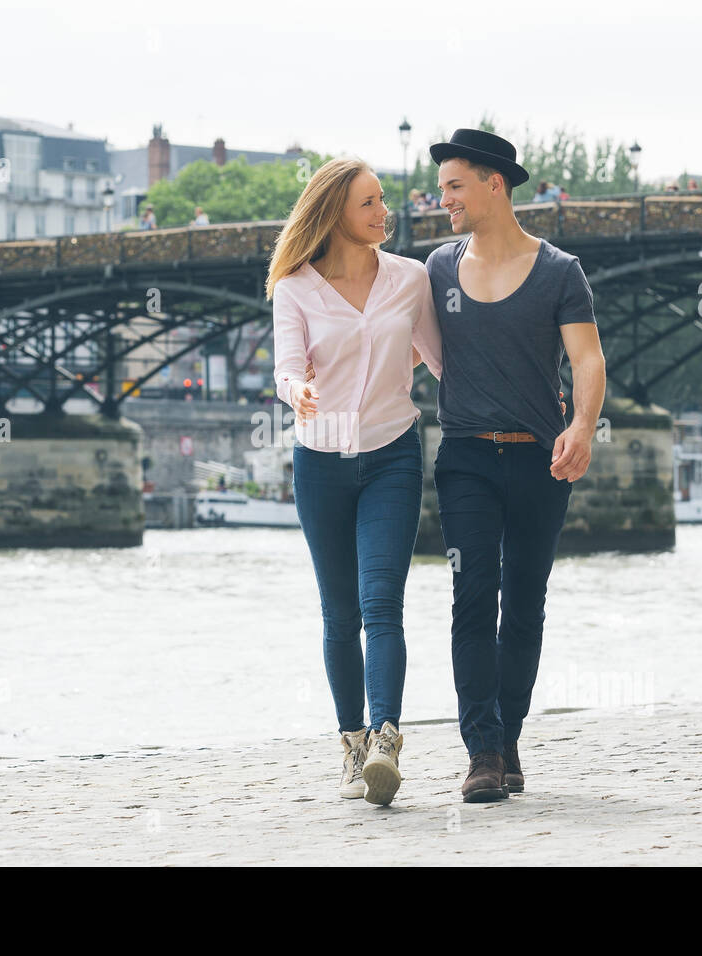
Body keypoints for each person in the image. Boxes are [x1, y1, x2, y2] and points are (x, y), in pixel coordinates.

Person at [427, 128, 606, 802]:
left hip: (538, 459)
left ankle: (507, 738)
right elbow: (399, 337)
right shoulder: (439, 269)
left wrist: (582, 425)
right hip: (467, 457)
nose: (442, 199)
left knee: (525, 604)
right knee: (473, 598)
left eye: (453, 185)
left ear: (493, 184)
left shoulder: (561, 271)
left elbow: (587, 360)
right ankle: (480, 752)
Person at [268, 157, 444, 806]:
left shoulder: (411, 279)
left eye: (381, 201)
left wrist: (518, 406)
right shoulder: (295, 288)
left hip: (393, 455)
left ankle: (386, 741)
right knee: (340, 615)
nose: (383, 212)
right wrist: (300, 391)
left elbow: (444, 361)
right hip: (321, 461)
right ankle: (350, 746)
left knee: (381, 603)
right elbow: (288, 367)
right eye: (369, 203)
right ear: (335, 213)